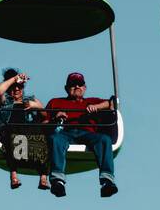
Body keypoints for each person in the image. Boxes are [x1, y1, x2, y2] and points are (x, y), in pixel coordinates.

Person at [42, 71, 118, 199]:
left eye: (79, 84)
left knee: (104, 139)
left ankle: (107, 181)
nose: (77, 87)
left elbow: (112, 103)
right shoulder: (55, 102)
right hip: (65, 132)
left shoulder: (91, 101)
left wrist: (97, 107)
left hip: (87, 133)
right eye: (73, 84)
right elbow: (44, 121)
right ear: (67, 88)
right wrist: (56, 117)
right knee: (56, 139)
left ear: (84, 87)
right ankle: (57, 181)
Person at [0, 68, 49, 191]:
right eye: (13, 87)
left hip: (28, 131)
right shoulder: (4, 100)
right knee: (12, 136)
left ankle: (43, 176)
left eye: (19, 86)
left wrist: (35, 106)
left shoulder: (30, 99)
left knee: (41, 135)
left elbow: (45, 116)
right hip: (10, 131)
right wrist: (14, 79)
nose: (17, 89)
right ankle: (13, 175)